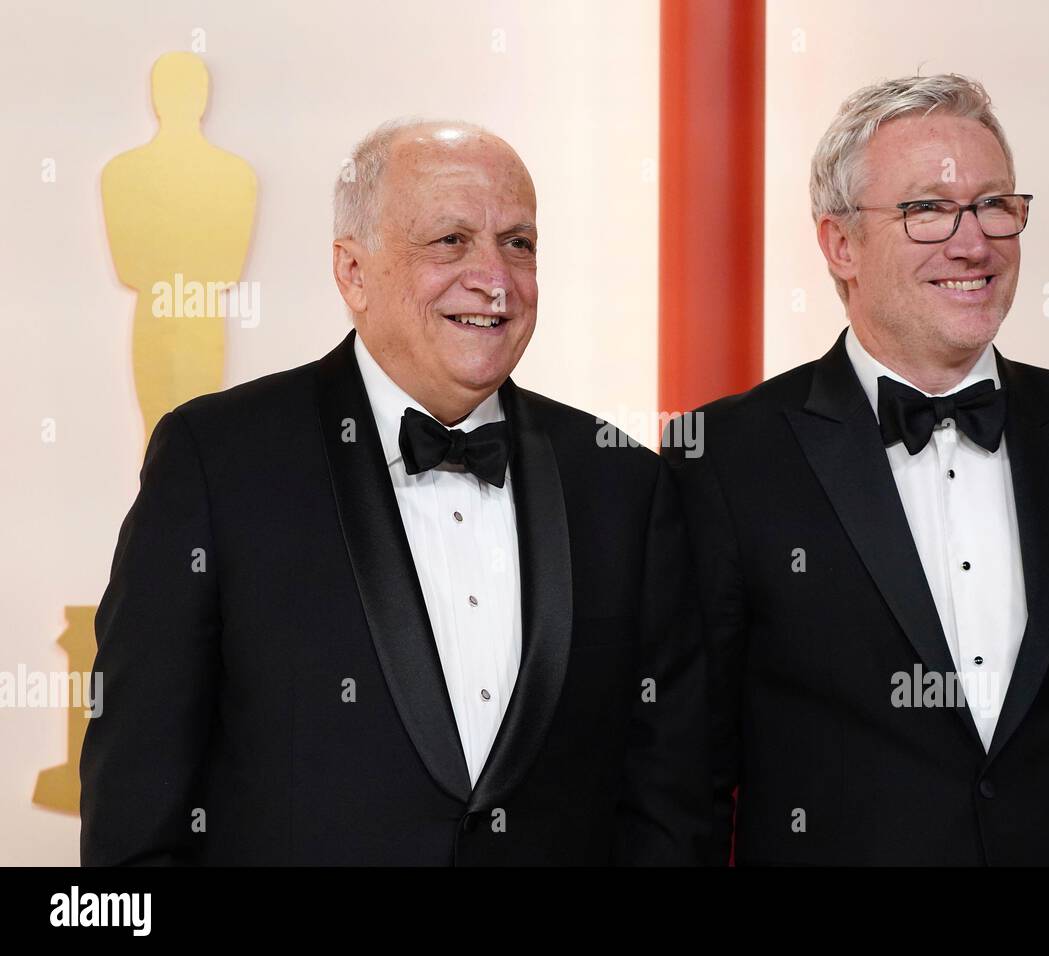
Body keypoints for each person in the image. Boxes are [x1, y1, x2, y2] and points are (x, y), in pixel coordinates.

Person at [81, 119, 710, 865]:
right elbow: (136, 810)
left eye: (519, 243)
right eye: (449, 241)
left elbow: (670, 798)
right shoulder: (218, 460)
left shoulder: (622, 481)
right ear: (352, 272)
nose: (494, 278)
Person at [664, 74, 1049, 865]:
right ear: (840, 244)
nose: (974, 243)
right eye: (927, 209)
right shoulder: (724, 457)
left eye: (996, 204)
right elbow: (680, 780)